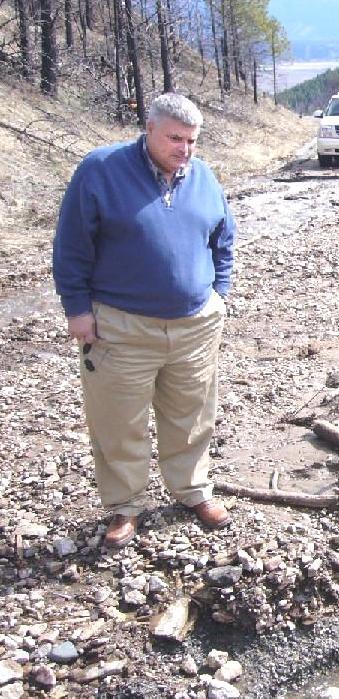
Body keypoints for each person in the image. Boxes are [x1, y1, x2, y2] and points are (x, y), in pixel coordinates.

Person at [52, 92, 237, 548]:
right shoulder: (101, 170)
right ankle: (125, 506)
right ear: (149, 128)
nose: (185, 149)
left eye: (192, 140)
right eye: (175, 138)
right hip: (122, 325)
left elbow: (224, 236)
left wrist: (220, 294)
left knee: (192, 415)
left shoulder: (203, 176)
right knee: (118, 421)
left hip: (195, 324)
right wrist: (77, 308)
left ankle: (192, 490)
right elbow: (72, 245)